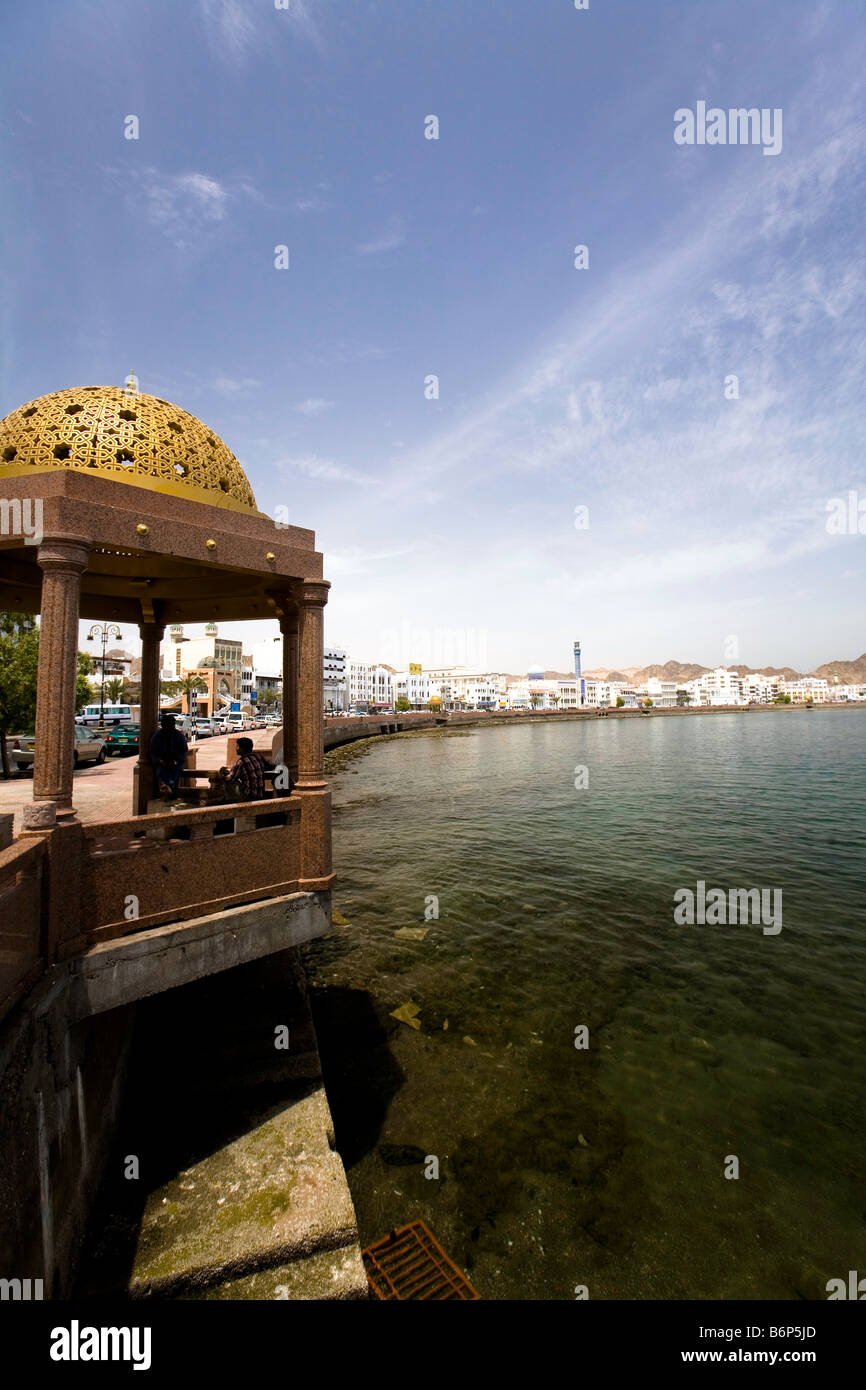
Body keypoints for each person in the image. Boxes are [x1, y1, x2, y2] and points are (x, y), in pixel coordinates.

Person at [218, 737, 277, 801]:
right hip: (261, 795)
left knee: (227, 782)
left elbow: (230, 778)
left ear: (242, 749)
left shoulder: (241, 762)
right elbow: (271, 766)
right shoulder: (259, 757)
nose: (236, 749)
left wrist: (222, 773)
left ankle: (229, 801)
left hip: (248, 796)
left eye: (237, 746)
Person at [148, 713, 188, 799]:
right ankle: (165, 788)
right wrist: (160, 761)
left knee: (174, 774)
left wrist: (175, 761)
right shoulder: (157, 737)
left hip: (176, 763)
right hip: (162, 763)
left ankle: (170, 790)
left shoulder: (179, 736)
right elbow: (153, 752)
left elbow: (184, 751)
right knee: (161, 772)